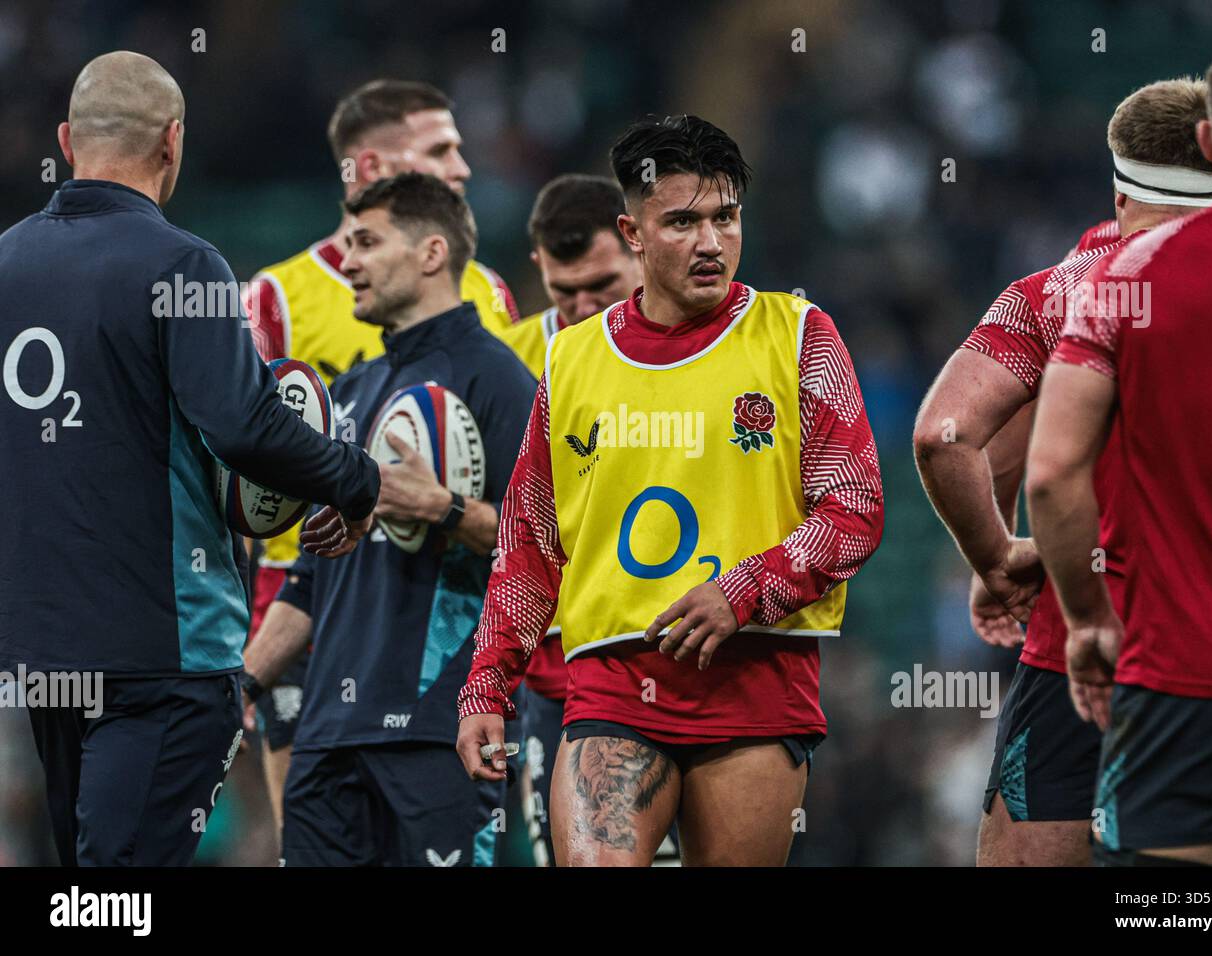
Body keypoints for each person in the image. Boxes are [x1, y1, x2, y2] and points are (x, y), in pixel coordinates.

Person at [456, 115, 883, 866]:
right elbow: (529, 542)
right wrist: (487, 688)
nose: (711, 242)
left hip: (754, 684)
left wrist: (743, 590)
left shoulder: (799, 334)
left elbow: (854, 509)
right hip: (612, 686)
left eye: (725, 218)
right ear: (633, 232)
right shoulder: (573, 361)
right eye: (682, 221)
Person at [0, 51, 378, 866]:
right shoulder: (183, 265)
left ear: (67, 140)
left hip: (42, 654)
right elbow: (243, 427)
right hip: (165, 655)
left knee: (92, 891)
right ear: (173, 143)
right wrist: (354, 479)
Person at [913, 78, 1212, 865]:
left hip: (1086, 637)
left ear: (1119, 191)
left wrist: (996, 554)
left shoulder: (1058, 293)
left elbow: (945, 437)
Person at [1029, 37, 1212, 866]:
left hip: (1183, 674)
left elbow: (1049, 475)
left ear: (1210, 144)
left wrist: (1085, 623)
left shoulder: (1129, 277)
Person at [240, 79, 519, 829]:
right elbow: (250, 487)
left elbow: (536, 516)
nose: (461, 166)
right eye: (439, 150)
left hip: (443, 647)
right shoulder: (279, 299)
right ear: (367, 167)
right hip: (315, 625)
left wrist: (441, 508)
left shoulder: (490, 306)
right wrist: (243, 672)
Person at [495, 173, 643, 865]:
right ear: (538, 270)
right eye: (564, 292)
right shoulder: (510, 364)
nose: (583, 308)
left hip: (674, 650)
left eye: (603, 287)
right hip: (554, 669)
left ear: (638, 246)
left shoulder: (696, 351)